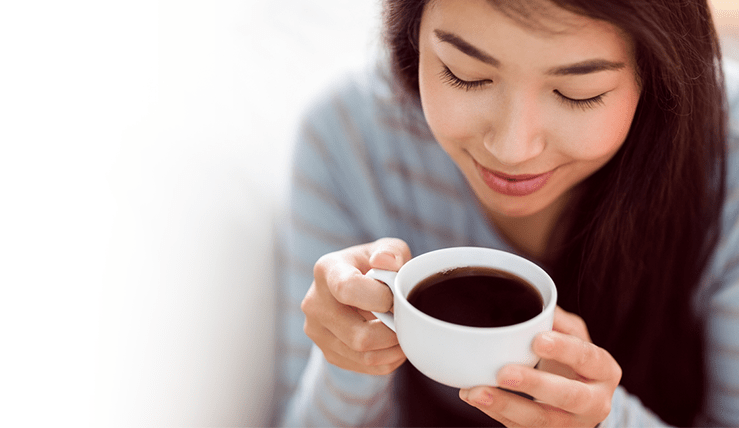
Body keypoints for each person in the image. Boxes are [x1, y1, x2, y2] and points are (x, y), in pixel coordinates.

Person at [273, 0, 739, 426]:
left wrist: (605, 421)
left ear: (656, 75)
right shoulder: (350, 138)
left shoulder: (729, 162)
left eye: (578, 92)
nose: (513, 149)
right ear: (412, 35)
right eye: (465, 74)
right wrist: (349, 360)